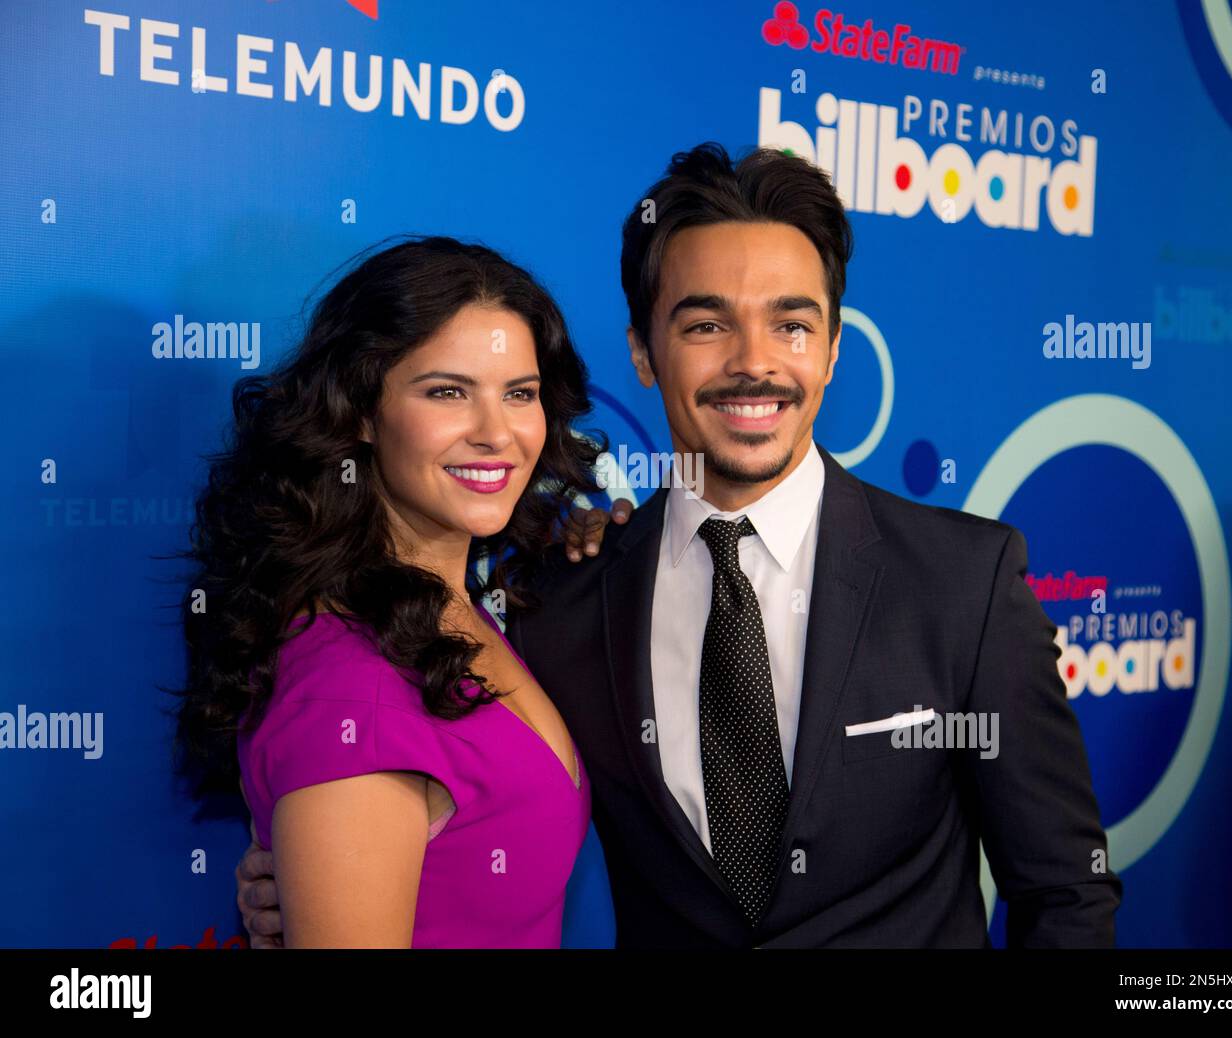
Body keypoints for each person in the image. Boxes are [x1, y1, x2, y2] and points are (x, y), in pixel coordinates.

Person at [239, 144, 1122, 948]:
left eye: (791, 324)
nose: (753, 363)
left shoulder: (965, 582)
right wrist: (322, 887)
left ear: (833, 351)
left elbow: (1067, 896)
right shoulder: (561, 597)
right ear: (643, 353)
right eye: (705, 325)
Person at [179, 235, 602, 947]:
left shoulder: (456, 608)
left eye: (519, 394)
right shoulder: (352, 690)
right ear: (361, 412)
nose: (497, 433)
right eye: (447, 392)